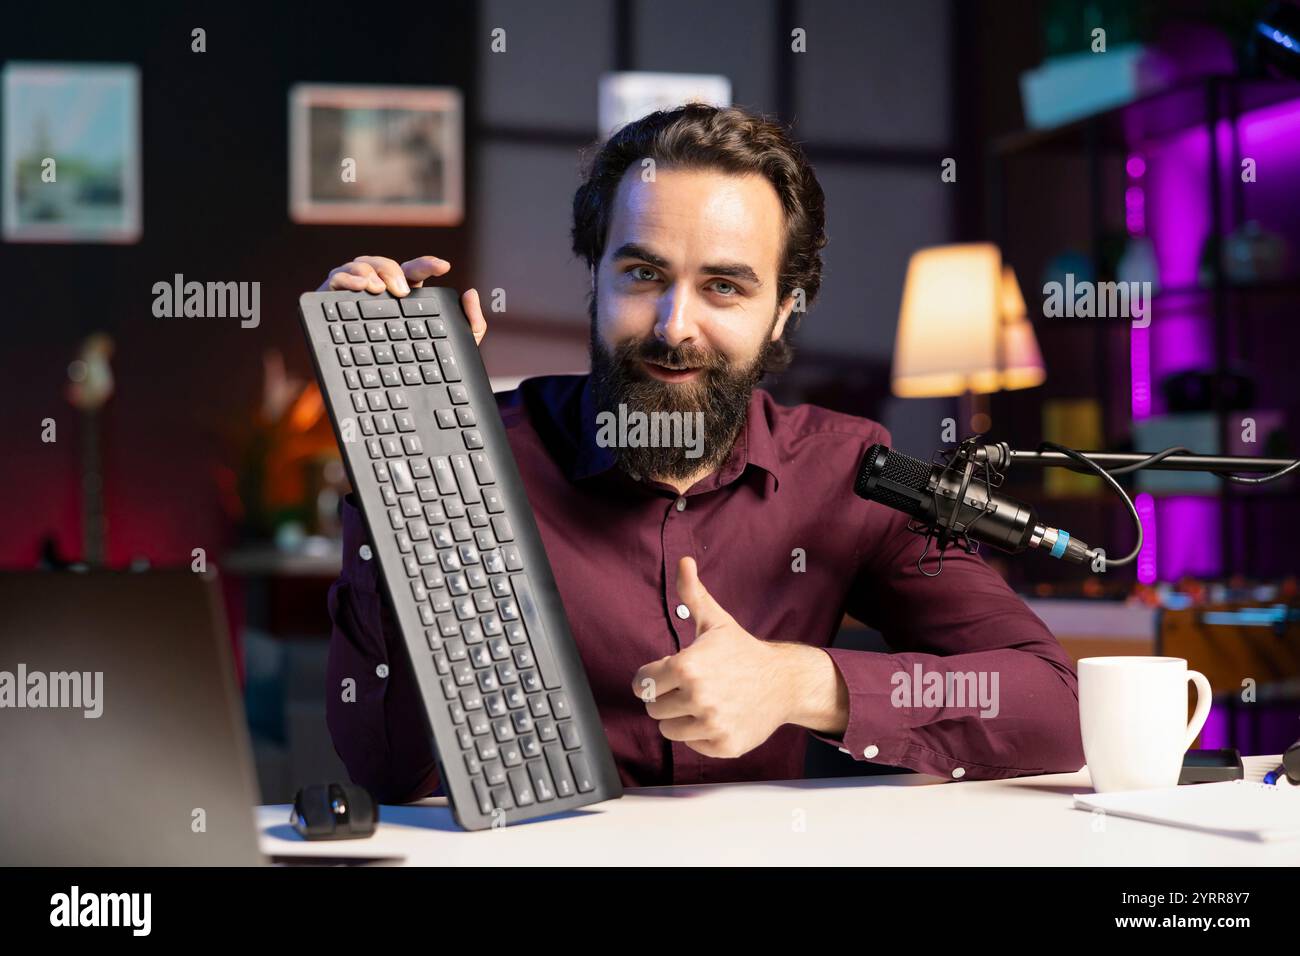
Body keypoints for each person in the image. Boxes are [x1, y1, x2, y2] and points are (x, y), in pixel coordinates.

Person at [322, 104, 1085, 803]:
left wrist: (802, 681)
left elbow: (1052, 704)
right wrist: (400, 465)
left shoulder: (850, 474)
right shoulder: (474, 457)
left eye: (723, 287)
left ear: (784, 311)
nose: (673, 325)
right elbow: (387, 767)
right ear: (596, 274)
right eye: (644, 274)